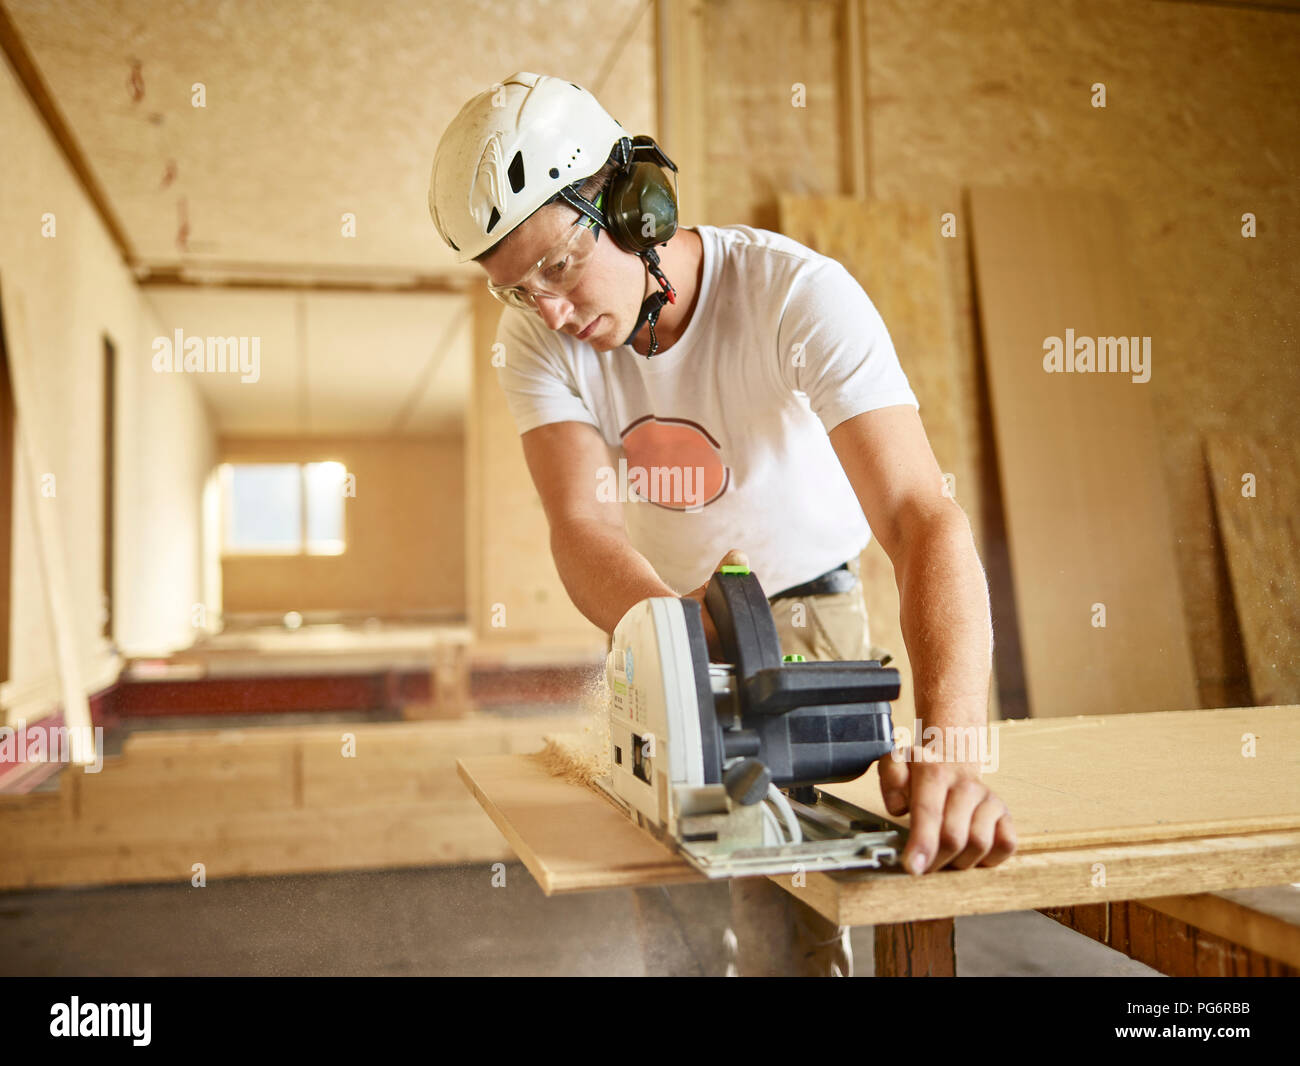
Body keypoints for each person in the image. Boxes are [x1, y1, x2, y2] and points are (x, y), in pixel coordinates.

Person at [428, 72, 1016, 976]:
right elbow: (581, 526)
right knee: (667, 871)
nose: (549, 310)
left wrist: (954, 743)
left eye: (559, 267)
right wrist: (669, 632)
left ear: (636, 208)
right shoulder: (536, 338)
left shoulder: (795, 295)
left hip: (807, 599)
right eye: (516, 289)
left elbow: (919, 516)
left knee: (785, 886)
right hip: (659, 607)